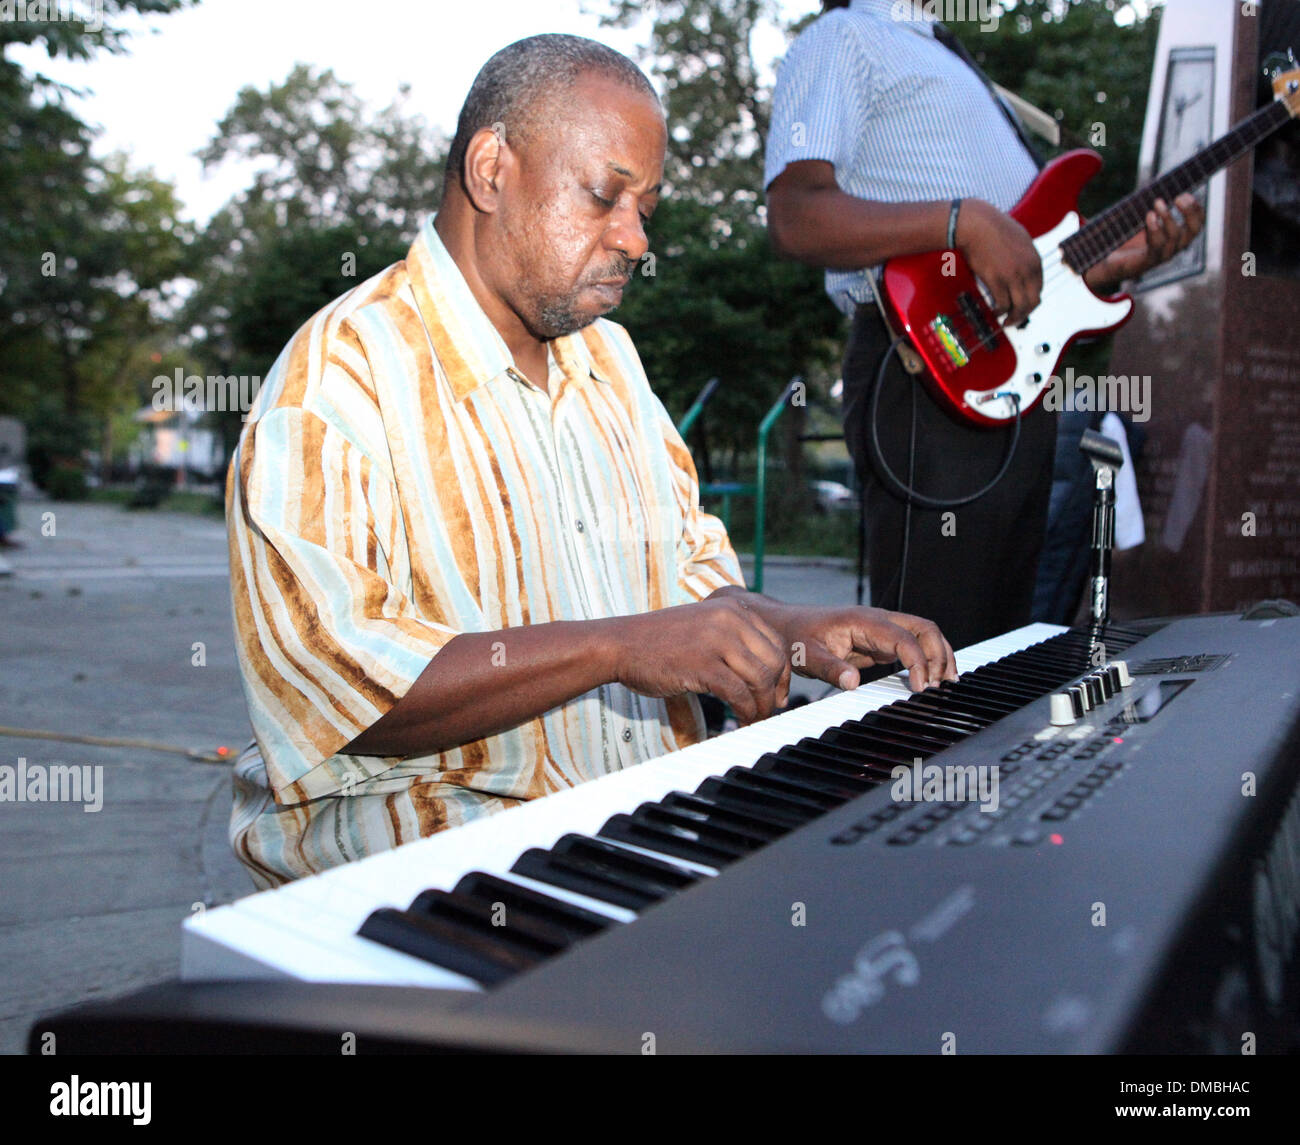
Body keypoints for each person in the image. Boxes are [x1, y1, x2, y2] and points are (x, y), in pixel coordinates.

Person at [225, 33, 957, 889]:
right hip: (430, 887)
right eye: (606, 195)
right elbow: (344, 685)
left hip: (637, 836)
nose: (635, 239)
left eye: (645, 209)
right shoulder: (336, 379)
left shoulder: (611, 360)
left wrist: (792, 630)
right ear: (491, 170)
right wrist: (616, 647)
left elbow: (689, 588)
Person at [764, 0, 1203, 652]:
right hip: (923, 367)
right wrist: (960, 221)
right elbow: (795, 216)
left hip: (1014, 380)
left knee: (996, 648)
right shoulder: (846, 35)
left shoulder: (950, 58)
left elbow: (1026, 266)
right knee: (929, 650)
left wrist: (1115, 266)